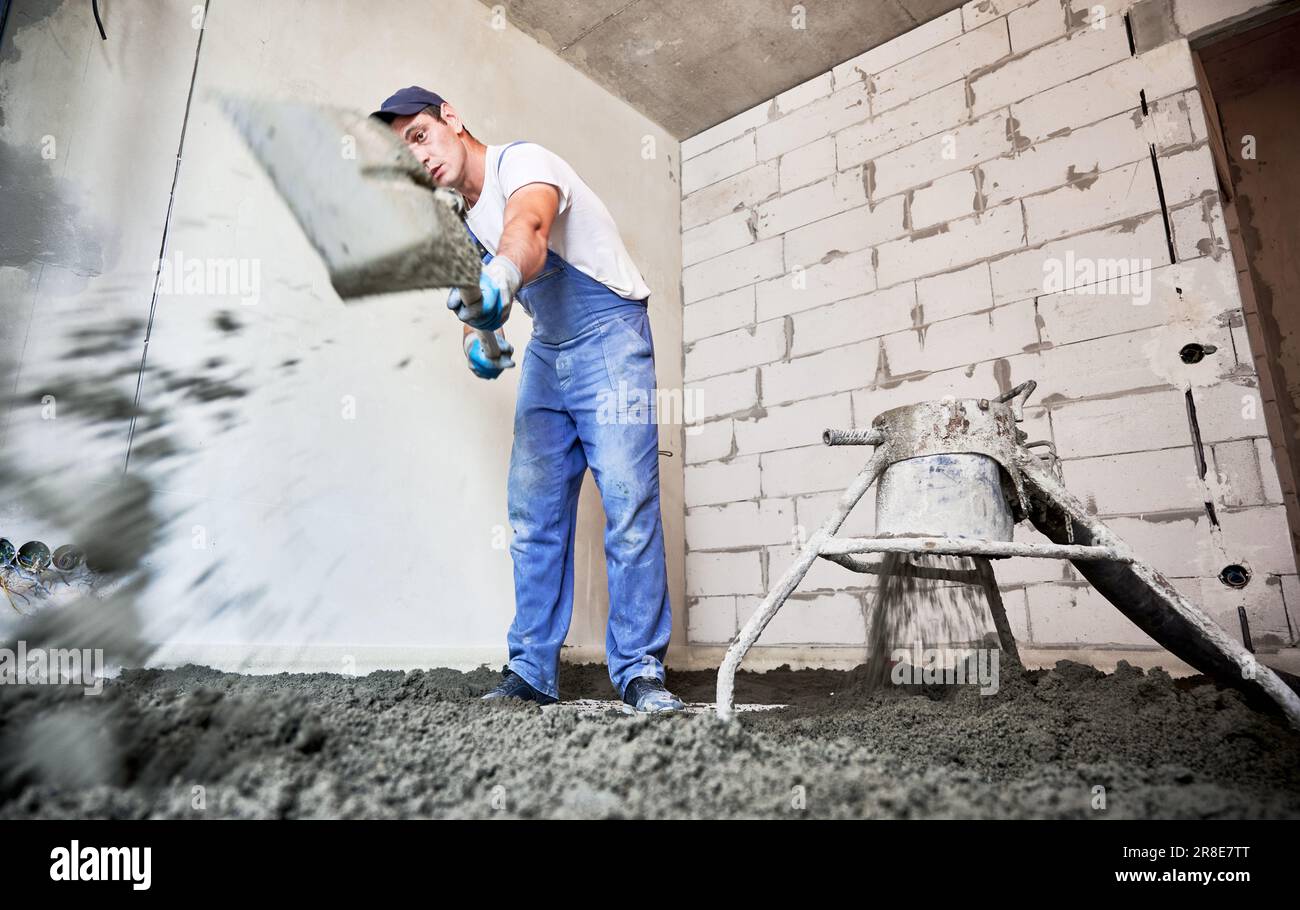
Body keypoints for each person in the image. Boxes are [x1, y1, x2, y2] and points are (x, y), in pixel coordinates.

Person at [373, 86, 683, 713]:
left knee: (628, 501)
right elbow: (472, 307)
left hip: (611, 335)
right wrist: (478, 339)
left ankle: (639, 670)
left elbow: (528, 229)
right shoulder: (453, 221)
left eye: (419, 136)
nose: (419, 157)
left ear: (451, 120)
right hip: (550, 349)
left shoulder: (524, 164)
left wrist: (503, 277)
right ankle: (532, 669)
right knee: (531, 516)